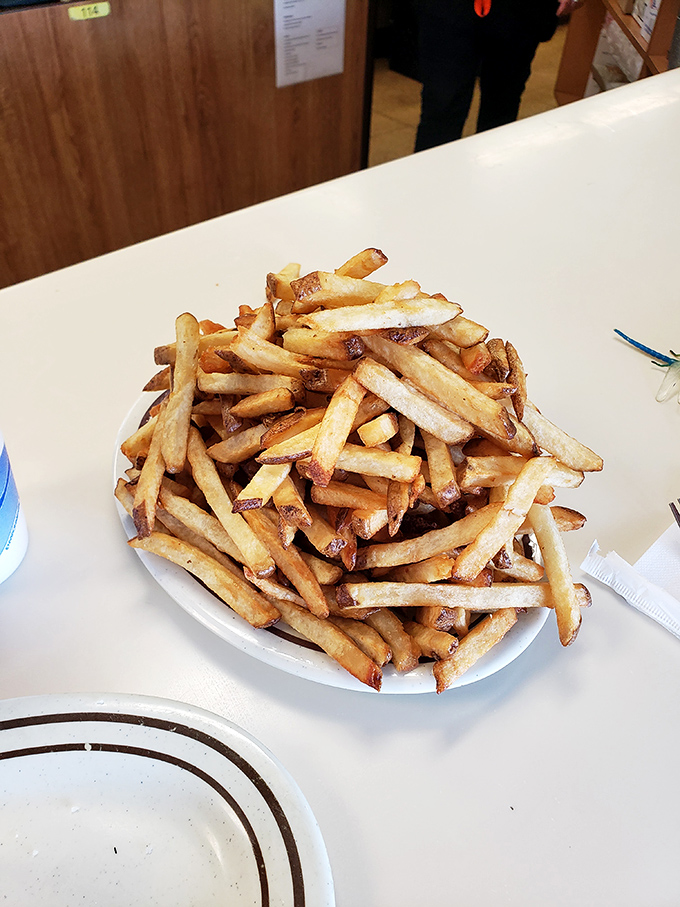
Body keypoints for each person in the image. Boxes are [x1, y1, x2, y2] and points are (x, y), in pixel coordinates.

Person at [414, 0, 582, 151]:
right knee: (442, 107)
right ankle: (430, 181)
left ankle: (491, 178)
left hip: (522, 11)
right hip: (450, 8)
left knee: (501, 108)